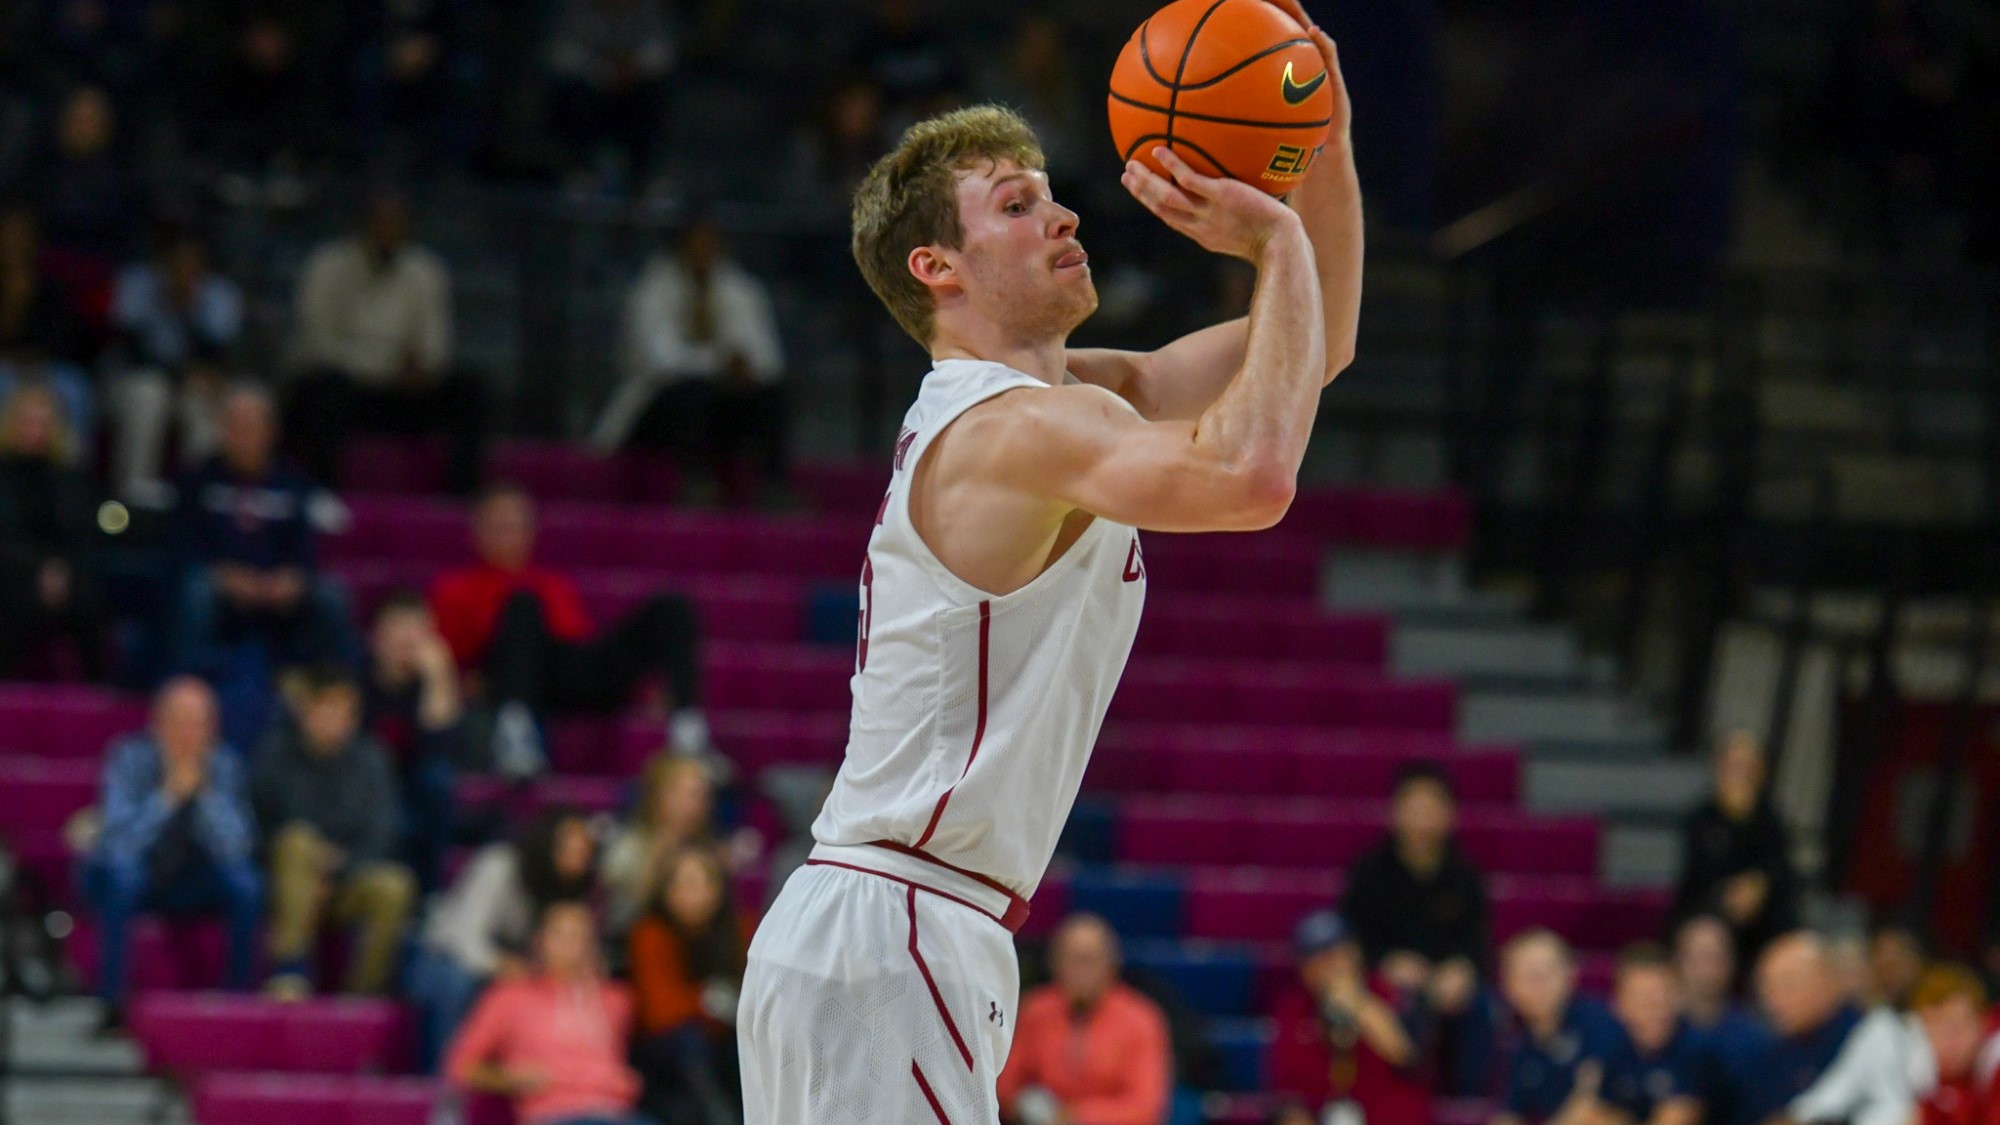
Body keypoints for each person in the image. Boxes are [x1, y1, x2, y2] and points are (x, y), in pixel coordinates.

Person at [737, 4, 1360, 1116]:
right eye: (1016, 206)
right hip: (897, 930)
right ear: (937, 267)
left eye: (1047, 190)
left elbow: (1318, 346)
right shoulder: (1013, 431)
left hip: (897, 928)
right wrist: (1271, 242)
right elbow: (1254, 479)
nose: (1064, 212)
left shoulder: (1069, 404)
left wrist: (1320, 134)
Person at [428, 482, 710, 776]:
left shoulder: (554, 583)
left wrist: (643, 692)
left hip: (574, 673)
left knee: (672, 606)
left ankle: (688, 732)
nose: (511, 535)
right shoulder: (454, 588)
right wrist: (464, 680)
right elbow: (446, 656)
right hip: (512, 683)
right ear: (477, 532)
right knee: (522, 605)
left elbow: (581, 645)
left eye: (518, 525)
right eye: (500, 525)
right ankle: (515, 736)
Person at [80, 678, 261, 1033]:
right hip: (144, 873)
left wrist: (205, 798)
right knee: (120, 875)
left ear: (213, 727)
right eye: (180, 721)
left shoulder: (225, 764)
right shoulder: (129, 756)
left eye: (199, 723)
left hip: (196, 877)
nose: (189, 733)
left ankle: (239, 1000)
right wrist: (166, 799)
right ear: (157, 722)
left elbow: (237, 848)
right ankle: (112, 1002)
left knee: (246, 885)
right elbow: (117, 842)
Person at [285, 189, 486, 494]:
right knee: (320, 392)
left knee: (470, 390)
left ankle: (460, 500)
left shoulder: (427, 271)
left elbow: (435, 345)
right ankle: (323, 498)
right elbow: (318, 342)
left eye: (396, 223)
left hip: (400, 395)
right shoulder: (328, 265)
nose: (388, 231)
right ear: (364, 224)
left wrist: (422, 366)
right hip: (347, 389)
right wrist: (383, 363)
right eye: (381, 222)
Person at [591, 218, 787, 503]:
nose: (703, 253)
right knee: (692, 393)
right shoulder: (653, 290)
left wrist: (743, 367)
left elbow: (767, 359)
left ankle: (774, 488)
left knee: (771, 394)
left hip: (722, 409)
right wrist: (721, 362)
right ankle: (695, 483)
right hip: (660, 410)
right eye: (695, 245)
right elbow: (662, 360)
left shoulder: (741, 290)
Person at [252, 664, 416, 998]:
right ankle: (290, 971)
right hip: (286, 883)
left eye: (342, 712)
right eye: (324, 710)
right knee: (297, 841)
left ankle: (361, 996)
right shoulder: (274, 756)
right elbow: (254, 828)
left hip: (347, 881)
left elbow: (383, 835)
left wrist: (337, 868)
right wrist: (305, 864)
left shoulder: (372, 762)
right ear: (305, 712)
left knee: (396, 886)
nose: (333, 720)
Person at [172, 382, 354, 675]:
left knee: (331, 595)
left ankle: (329, 688)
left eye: (251, 427)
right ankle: (190, 686)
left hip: (276, 588)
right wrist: (226, 576)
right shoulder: (198, 480)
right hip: (223, 584)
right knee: (196, 590)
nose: (242, 437)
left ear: (270, 432)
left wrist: (292, 576)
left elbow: (304, 547)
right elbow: (183, 545)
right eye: (235, 427)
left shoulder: (293, 480)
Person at [1339, 761, 1493, 1094]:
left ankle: (1466, 1101)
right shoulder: (1370, 873)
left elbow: (1478, 941)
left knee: (1479, 1005)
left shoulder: (1465, 875)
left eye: (1432, 807)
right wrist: (1386, 963)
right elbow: (1352, 940)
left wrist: (1462, 970)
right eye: (1414, 807)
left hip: (1445, 983)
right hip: (1388, 983)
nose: (1423, 817)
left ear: (1450, 814)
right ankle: (1392, 1094)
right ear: (1395, 813)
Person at [408, 806, 599, 1069]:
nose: (577, 860)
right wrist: (501, 965)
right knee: (457, 981)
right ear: (547, 845)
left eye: (584, 853)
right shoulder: (498, 865)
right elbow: (463, 938)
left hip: (513, 968)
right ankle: (443, 1079)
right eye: (570, 850)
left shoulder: (571, 891)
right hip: (440, 958)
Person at [444, 900, 653, 1125]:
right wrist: (509, 1079)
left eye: (580, 936)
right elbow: (460, 1066)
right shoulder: (511, 996)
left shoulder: (616, 1000)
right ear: (540, 941)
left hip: (617, 1112)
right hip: (556, 1113)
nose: (570, 945)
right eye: (560, 935)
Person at [106, 224, 242, 500]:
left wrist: (189, 309)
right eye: (178, 263)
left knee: (204, 400)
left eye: (194, 265)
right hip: (134, 379)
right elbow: (132, 352)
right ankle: (134, 494)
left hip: (190, 385)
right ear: (164, 264)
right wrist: (169, 303)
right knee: (150, 394)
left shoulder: (219, 294)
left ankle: (201, 496)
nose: (185, 272)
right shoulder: (138, 284)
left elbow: (216, 358)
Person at [996, 915, 1172, 1125]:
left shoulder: (1141, 1019)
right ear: (1054, 964)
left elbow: (1146, 1107)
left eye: (1089, 960)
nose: (1080, 971)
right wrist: (1028, 1105)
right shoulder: (1035, 1010)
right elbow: (1003, 1086)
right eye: (1071, 959)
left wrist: (1074, 1116)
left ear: (1111, 964)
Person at [1267, 909, 1429, 1125]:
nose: (1329, 966)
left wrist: (1359, 1004)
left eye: (1335, 954)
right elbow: (1286, 1092)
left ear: (1355, 952)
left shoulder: (1389, 993)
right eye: (1317, 958)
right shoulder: (1293, 1009)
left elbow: (1408, 1057)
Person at [630, 846, 752, 1125]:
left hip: (725, 1040)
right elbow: (660, 1013)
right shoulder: (650, 933)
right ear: (666, 891)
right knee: (689, 1041)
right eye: (685, 884)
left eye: (704, 883)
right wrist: (705, 1001)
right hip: (665, 1053)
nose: (695, 894)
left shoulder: (739, 929)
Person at [1751, 931, 1916, 1125]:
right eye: (1767, 988)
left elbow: (1892, 1107)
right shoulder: (1770, 1053)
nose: (1772, 1000)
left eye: (1787, 984)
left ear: (1827, 980)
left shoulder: (1871, 1033)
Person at [0, 384, 106, 678]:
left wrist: (60, 570)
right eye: (28, 421)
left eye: (43, 423)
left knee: (88, 595)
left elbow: (80, 534)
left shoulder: (69, 477)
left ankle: (97, 694)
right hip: (12, 571)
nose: (35, 430)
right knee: (15, 595)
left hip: (62, 573)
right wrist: (39, 569)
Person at [364, 591, 466, 892]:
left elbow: (441, 748)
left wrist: (438, 678)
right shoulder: (357, 677)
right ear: (377, 636)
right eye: (399, 628)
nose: (408, 639)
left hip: (413, 787)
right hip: (363, 786)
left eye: (418, 629)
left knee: (437, 781)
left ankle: (427, 898)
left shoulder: (432, 682)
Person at [1670, 731, 1797, 971]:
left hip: (1762, 913)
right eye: (1734, 765)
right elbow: (1698, 875)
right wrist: (1730, 893)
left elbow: (1780, 868)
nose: (1741, 774)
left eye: (1748, 766)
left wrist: (1758, 884)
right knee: (1704, 931)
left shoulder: (1771, 820)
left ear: (1760, 772)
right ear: (1719, 768)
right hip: (1711, 906)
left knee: (1784, 923)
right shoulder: (1700, 819)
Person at [1491, 929, 1622, 1125]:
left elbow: (1588, 1106)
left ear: (1571, 973)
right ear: (1509, 984)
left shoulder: (1599, 1022)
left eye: (1548, 971)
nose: (1540, 984)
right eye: (1529, 974)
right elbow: (1509, 1113)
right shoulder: (1516, 1041)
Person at [545, 0, 675, 185]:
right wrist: (600, 69)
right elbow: (560, 52)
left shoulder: (649, 7)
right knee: (573, 97)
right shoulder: (578, 7)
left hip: (634, 90)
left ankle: (643, 178)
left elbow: (663, 52)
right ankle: (578, 171)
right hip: (587, 90)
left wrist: (631, 68)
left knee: (651, 97)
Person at [1670, 915, 1771, 1125]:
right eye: (1698, 957)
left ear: (1731, 963)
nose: (1706, 969)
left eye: (1714, 957)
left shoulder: (1755, 1036)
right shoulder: (1660, 1030)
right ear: (1678, 962)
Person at [603, 754, 720, 934]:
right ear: (656, 795)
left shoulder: (711, 853)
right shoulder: (627, 850)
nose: (691, 803)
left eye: (699, 794)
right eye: (679, 792)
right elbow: (615, 917)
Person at [1597, 945, 1705, 1125]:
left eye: (1662, 996)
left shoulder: (1698, 1050)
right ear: (1618, 1004)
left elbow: (1678, 1117)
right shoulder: (1609, 1046)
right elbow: (1593, 1114)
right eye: (1642, 998)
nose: (1654, 1009)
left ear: (1680, 998)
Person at [1909, 965, 2000, 1125]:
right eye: (1936, 1029)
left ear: (1982, 1025)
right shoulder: (1917, 1082)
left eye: (1957, 1028)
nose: (1948, 1041)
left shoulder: (1994, 1070)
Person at [1871, 919, 1931, 1011]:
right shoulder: (1867, 1015)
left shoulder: (1935, 1008)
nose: (1887, 978)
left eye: (1892, 968)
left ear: (1914, 965)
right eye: (1881, 970)